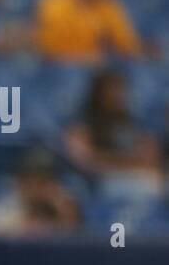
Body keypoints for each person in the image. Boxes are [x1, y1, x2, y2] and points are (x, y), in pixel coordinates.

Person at [64, 68, 162, 196]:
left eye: (121, 89)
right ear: (98, 92)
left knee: (155, 182)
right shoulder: (84, 121)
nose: (118, 95)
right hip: (100, 181)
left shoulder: (132, 121)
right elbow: (84, 159)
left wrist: (121, 161)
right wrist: (125, 162)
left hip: (136, 176)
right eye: (112, 89)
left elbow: (150, 156)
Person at [0, 147, 82, 236]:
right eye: (36, 181)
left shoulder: (61, 205)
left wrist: (66, 213)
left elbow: (75, 241)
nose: (41, 188)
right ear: (21, 182)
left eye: (46, 180)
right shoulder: (4, 208)